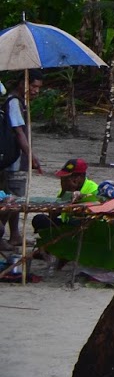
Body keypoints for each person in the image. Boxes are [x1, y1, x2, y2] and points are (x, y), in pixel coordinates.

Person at [1, 75, 44, 251]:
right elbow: (18, 132)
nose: (36, 91)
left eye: (38, 88)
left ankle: (15, 235)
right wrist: (31, 155)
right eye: (33, 86)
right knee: (10, 200)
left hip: (18, 158)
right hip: (14, 161)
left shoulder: (20, 103)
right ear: (22, 84)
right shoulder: (14, 102)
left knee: (15, 200)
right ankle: (3, 235)